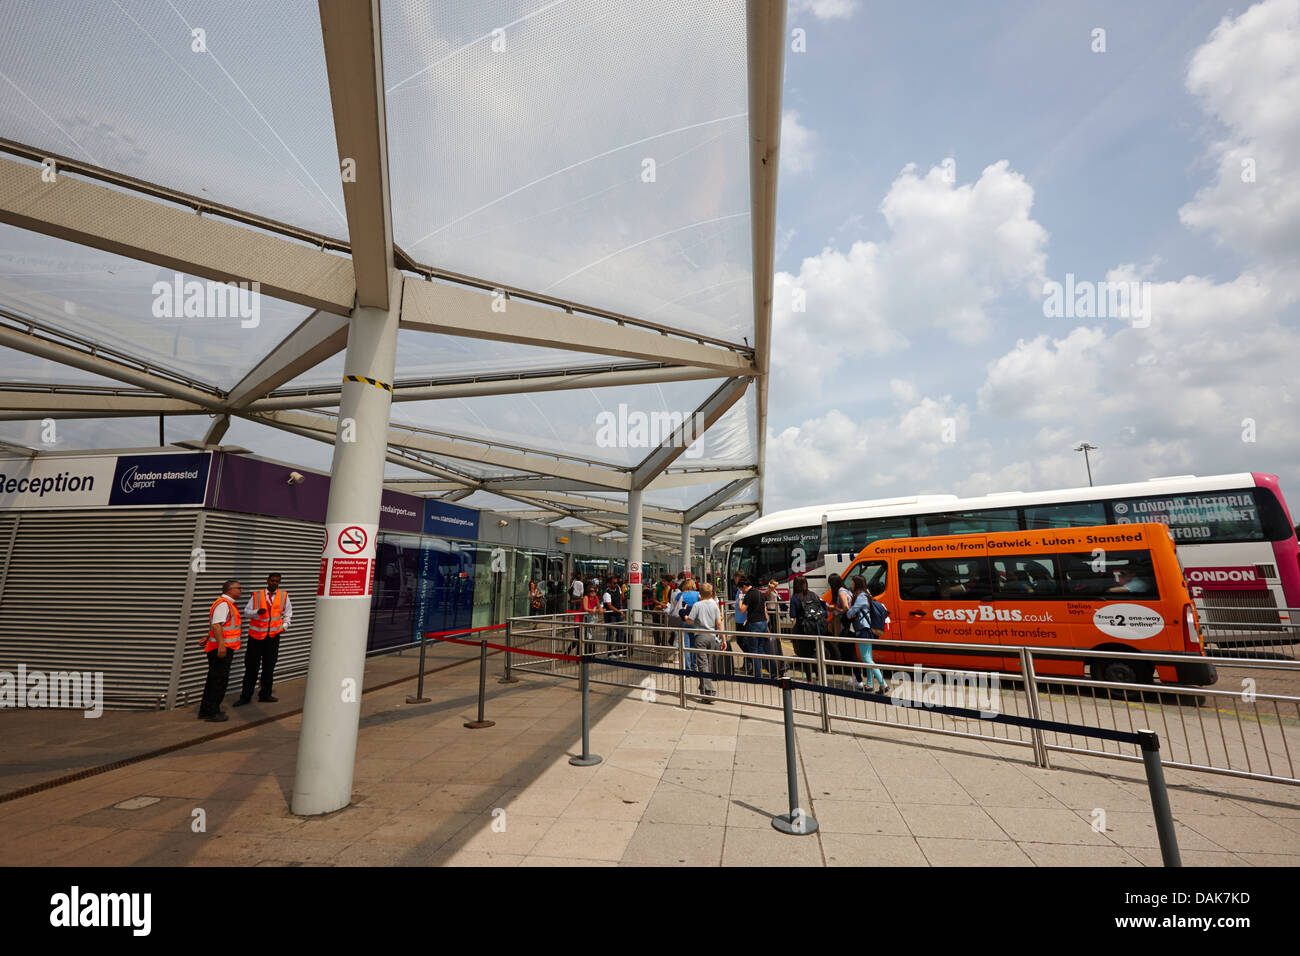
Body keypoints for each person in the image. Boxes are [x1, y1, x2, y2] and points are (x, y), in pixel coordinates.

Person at [235, 573, 290, 706]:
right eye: (272, 580)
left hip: (272, 637)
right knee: (251, 667)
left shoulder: (283, 596)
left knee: (269, 667)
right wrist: (255, 612)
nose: (274, 583)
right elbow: (246, 612)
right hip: (256, 637)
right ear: (267, 581)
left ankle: (265, 694)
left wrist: (285, 626)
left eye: (277, 581)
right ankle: (245, 696)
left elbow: (288, 612)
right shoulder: (257, 595)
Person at [199, 579, 242, 721]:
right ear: (230, 590)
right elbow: (217, 625)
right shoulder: (224, 604)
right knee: (218, 681)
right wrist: (222, 645)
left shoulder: (225, 604)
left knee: (213, 680)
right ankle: (212, 712)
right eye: (238, 588)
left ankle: (206, 710)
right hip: (221, 649)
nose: (241, 590)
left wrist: (208, 636)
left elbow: (218, 626)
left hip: (220, 647)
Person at [846, 575, 888, 692]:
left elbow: (850, 613)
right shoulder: (866, 593)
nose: (851, 584)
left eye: (853, 582)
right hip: (867, 630)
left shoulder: (861, 596)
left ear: (857, 584)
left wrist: (849, 611)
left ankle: (883, 684)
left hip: (863, 631)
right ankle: (869, 684)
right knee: (868, 658)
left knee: (867, 659)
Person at [687, 583, 723, 700]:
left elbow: (690, 621)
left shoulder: (697, 605)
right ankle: (704, 690)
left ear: (700, 594)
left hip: (700, 637)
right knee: (708, 663)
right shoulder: (714, 605)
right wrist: (723, 639)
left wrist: (684, 614)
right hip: (712, 636)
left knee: (702, 664)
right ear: (711, 593)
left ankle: (709, 690)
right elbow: (719, 623)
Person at [789, 576, 826, 678]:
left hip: (803, 629)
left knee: (805, 655)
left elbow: (792, 615)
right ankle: (819, 675)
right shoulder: (813, 594)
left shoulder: (795, 598)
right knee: (815, 652)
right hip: (815, 627)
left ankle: (809, 679)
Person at [738, 576, 771, 678]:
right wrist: (767, 625)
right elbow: (764, 609)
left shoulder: (749, 595)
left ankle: (758, 675)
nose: (741, 591)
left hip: (754, 625)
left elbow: (742, 610)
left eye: (740, 589)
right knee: (761, 650)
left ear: (744, 586)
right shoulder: (759, 593)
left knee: (754, 651)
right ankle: (773, 671)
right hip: (763, 623)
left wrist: (740, 600)